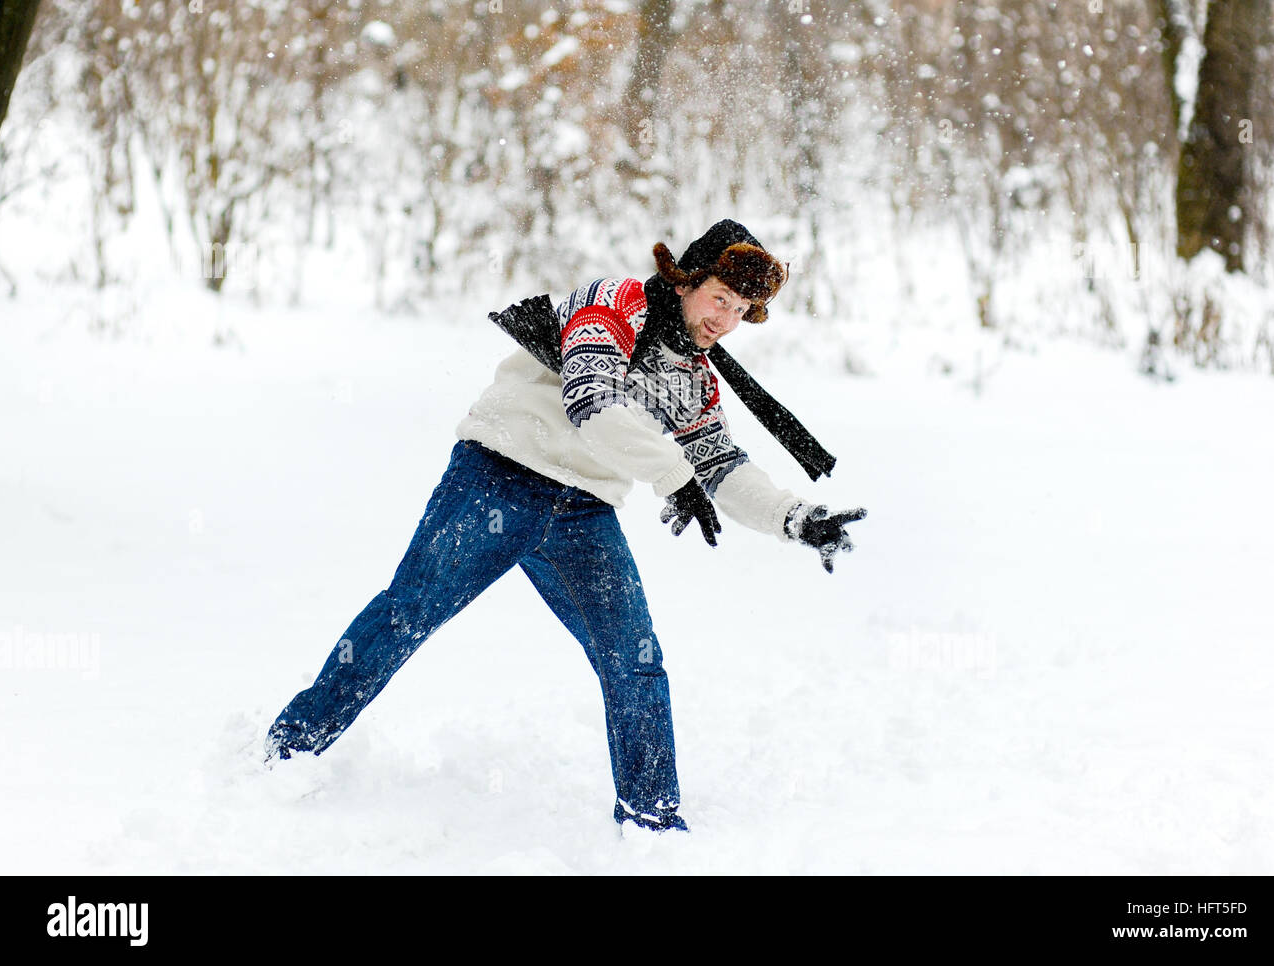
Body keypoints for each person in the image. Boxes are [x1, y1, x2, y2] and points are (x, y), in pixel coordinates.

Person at [264, 219, 866, 833]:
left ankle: (652, 825)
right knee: (408, 613)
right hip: (498, 476)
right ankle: (287, 754)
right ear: (686, 281)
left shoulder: (693, 379)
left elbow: (723, 469)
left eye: (741, 310)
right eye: (720, 299)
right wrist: (670, 472)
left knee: (634, 661)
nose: (726, 320)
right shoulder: (614, 304)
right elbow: (592, 406)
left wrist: (796, 518)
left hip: (583, 515)